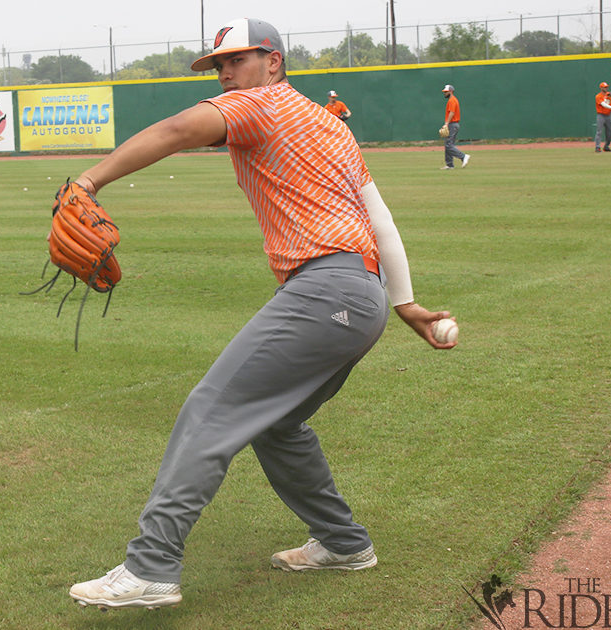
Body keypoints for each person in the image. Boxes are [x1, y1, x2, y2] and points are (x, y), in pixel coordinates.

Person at [66, 17, 457, 610]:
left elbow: (177, 129)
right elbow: (379, 218)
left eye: (238, 60)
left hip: (325, 290)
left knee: (212, 409)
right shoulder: (330, 125)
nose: (226, 73)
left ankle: (150, 569)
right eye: (219, 66)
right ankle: (343, 543)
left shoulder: (260, 103)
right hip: (359, 294)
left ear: (273, 63)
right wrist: (403, 305)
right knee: (276, 424)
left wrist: (88, 182)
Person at [441, 84, 470, 169]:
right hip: (452, 124)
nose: (445, 93)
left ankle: (463, 156)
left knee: (449, 145)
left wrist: (446, 123)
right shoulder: (451, 100)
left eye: (446, 92)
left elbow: (452, 112)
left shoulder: (452, 100)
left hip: (452, 124)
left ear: (451, 91)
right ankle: (449, 165)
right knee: (448, 144)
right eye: (444, 92)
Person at [594, 81, 611, 153]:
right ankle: (597, 147)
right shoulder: (598, 96)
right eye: (604, 87)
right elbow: (603, 104)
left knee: (609, 132)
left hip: (608, 115)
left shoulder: (609, 95)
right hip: (601, 115)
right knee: (599, 131)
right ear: (601, 88)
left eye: (607, 87)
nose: (606, 88)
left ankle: (606, 146)